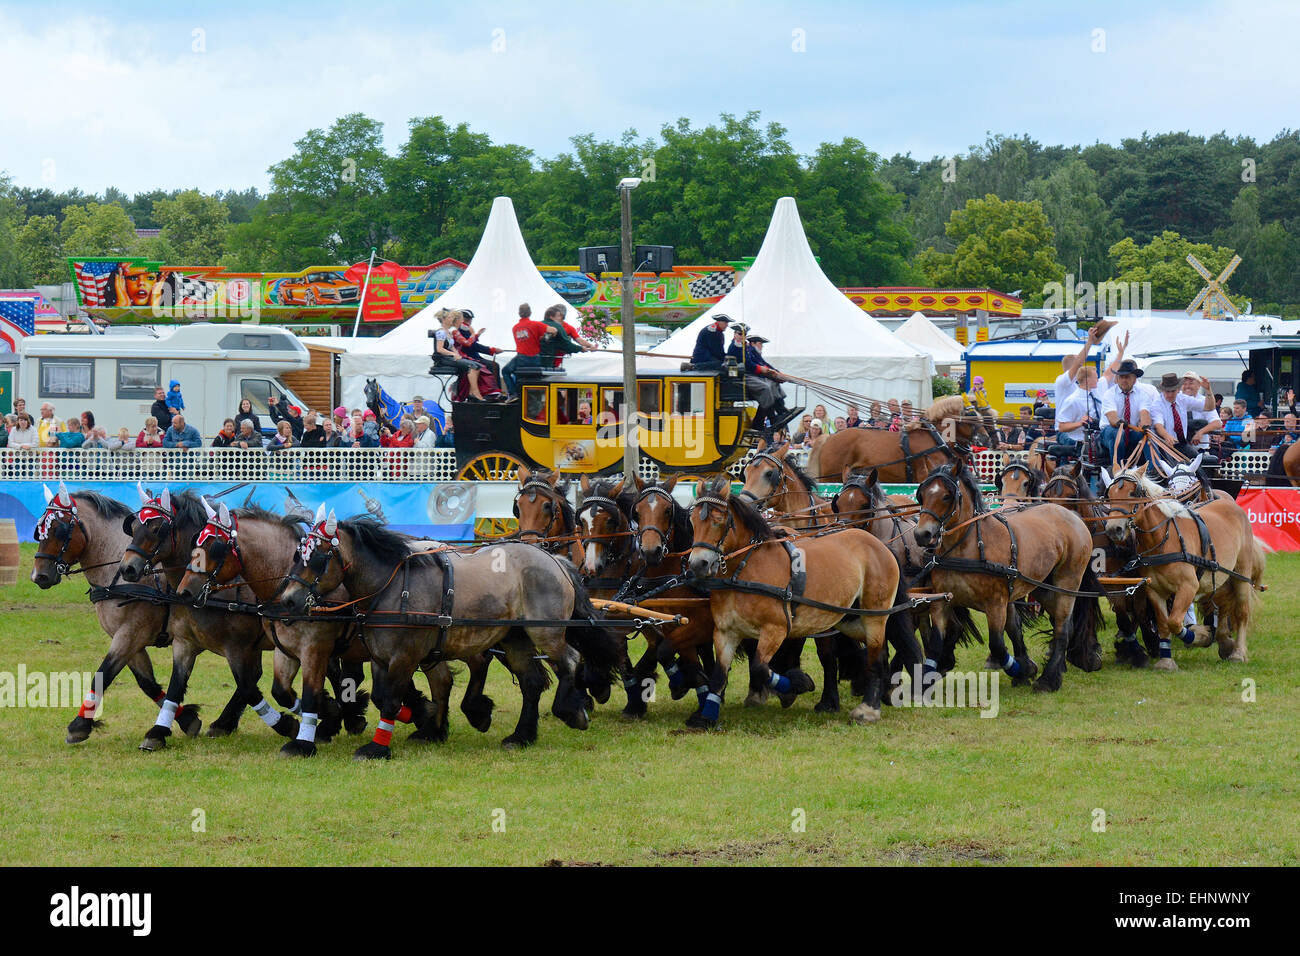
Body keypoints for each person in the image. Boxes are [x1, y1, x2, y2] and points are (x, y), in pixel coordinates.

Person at [727, 326, 796, 433]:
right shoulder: (736, 346)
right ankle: (772, 417)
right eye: (739, 334)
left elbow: (763, 363)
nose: (742, 337)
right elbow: (749, 364)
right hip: (743, 376)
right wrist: (765, 370)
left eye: (743, 334)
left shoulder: (744, 346)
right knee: (765, 387)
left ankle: (780, 409)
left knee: (773, 384)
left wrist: (776, 372)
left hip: (751, 374)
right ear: (735, 334)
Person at [1100, 359, 1158, 463]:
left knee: (1149, 434)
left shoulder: (1143, 394)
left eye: (1127, 377)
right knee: (1117, 433)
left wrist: (1145, 426)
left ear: (1134, 379)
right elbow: (1112, 418)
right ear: (1117, 379)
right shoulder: (1109, 394)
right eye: (1121, 377)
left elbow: (1145, 414)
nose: (1123, 380)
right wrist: (1119, 423)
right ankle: (1118, 470)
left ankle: (1154, 470)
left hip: (1131, 432)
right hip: (1109, 433)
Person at [1151, 372, 1215, 457]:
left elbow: (1209, 407)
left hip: (1180, 444)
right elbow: (1158, 425)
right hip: (1163, 444)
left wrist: (1208, 390)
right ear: (1163, 390)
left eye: (1173, 391)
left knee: (1199, 464)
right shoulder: (1157, 404)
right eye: (1167, 391)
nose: (1170, 394)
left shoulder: (1182, 398)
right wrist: (1166, 436)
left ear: (1178, 390)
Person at [432, 309, 486, 401]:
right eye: (449, 317)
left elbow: (452, 346)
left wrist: (457, 354)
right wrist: (453, 354)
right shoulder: (441, 332)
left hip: (450, 356)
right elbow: (439, 349)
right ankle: (475, 392)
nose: (451, 319)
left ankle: (472, 391)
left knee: (477, 365)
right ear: (444, 319)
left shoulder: (448, 332)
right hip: (443, 358)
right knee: (472, 366)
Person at [502, 303, 554, 396]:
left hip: (521, 358)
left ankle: (513, 394)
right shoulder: (536, 324)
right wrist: (545, 338)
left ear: (519, 313)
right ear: (530, 313)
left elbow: (524, 341)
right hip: (535, 359)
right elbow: (553, 330)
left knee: (505, 371)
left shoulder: (515, 328)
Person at [537, 304, 591, 370]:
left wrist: (590, 346)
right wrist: (580, 349)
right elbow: (567, 345)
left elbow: (579, 340)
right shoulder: (558, 327)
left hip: (536, 360)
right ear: (552, 316)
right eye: (558, 315)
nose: (560, 318)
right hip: (549, 360)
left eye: (561, 316)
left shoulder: (537, 325)